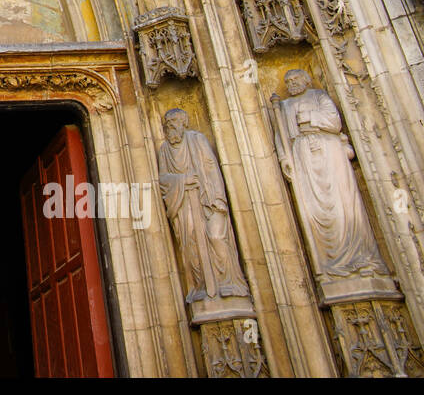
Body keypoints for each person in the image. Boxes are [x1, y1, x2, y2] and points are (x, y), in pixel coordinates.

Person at [272, 70, 388, 279]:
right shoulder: (284, 107)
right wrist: (283, 158)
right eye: (288, 81)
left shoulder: (319, 96)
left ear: (306, 80)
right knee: (316, 210)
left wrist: (309, 118)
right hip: (303, 157)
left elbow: (334, 123)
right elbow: (282, 137)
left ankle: (361, 258)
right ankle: (329, 265)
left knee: (342, 202)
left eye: (295, 80)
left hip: (329, 152)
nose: (291, 84)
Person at [156, 109, 250, 304]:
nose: (170, 125)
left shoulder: (196, 139)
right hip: (183, 203)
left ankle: (229, 283)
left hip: (206, 199)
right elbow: (163, 179)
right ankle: (202, 288)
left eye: (174, 121)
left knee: (216, 236)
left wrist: (217, 199)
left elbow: (210, 167)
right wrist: (183, 180)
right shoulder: (165, 149)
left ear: (184, 122)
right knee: (191, 244)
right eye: (167, 123)